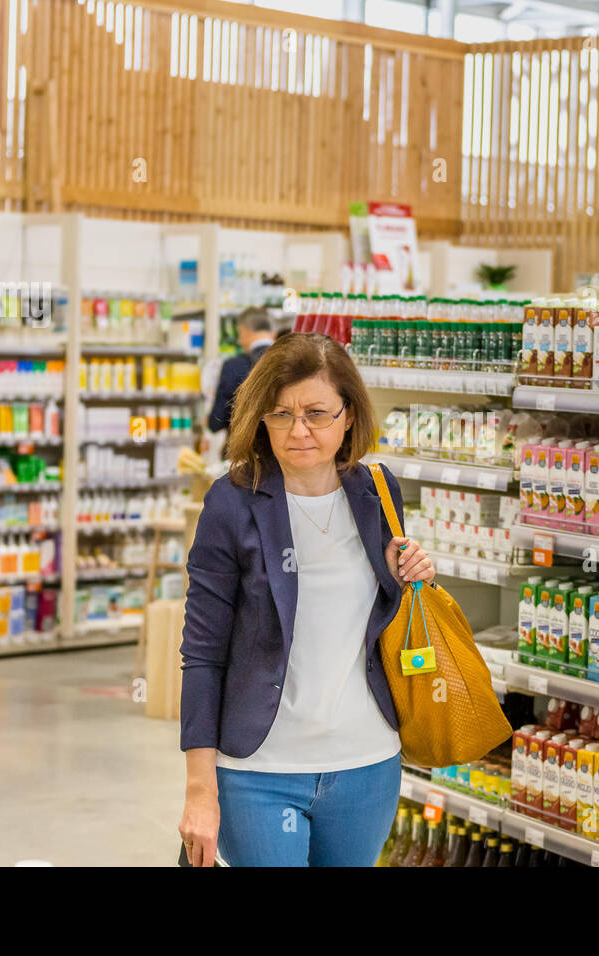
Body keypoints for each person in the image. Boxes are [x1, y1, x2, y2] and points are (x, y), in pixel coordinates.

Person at [178, 332, 437, 867]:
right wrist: (200, 789)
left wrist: (416, 575)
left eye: (317, 413)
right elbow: (202, 655)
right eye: (280, 414)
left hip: (367, 762)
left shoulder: (378, 492)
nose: (299, 430)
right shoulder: (231, 503)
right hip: (259, 771)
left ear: (348, 416)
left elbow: (387, 617)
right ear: (259, 418)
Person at [207, 307, 276, 433]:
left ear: (243, 331)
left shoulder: (234, 365)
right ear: (273, 333)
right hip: (282, 449)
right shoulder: (289, 361)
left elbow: (217, 421)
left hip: (242, 450)